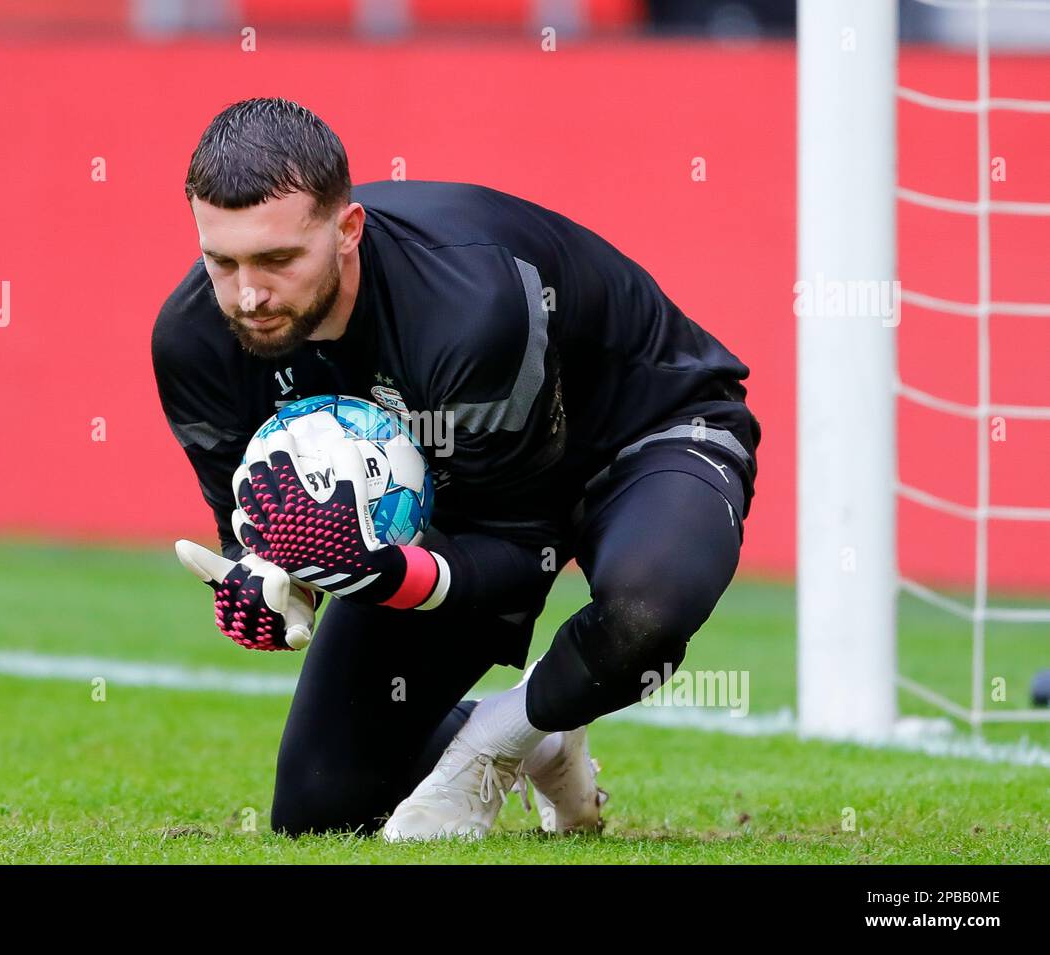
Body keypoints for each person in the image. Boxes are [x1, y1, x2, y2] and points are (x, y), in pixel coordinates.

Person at [153, 96, 760, 841]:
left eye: (278, 259)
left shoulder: (469, 307)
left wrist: (388, 573)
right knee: (319, 808)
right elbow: (261, 535)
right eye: (223, 261)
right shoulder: (195, 341)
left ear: (348, 231)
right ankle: (544, 737)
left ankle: (503, 735)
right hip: (472, 484)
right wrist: (275, 584)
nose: (249, 295)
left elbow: (518, 549)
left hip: (644, 432)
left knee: (645, 610)